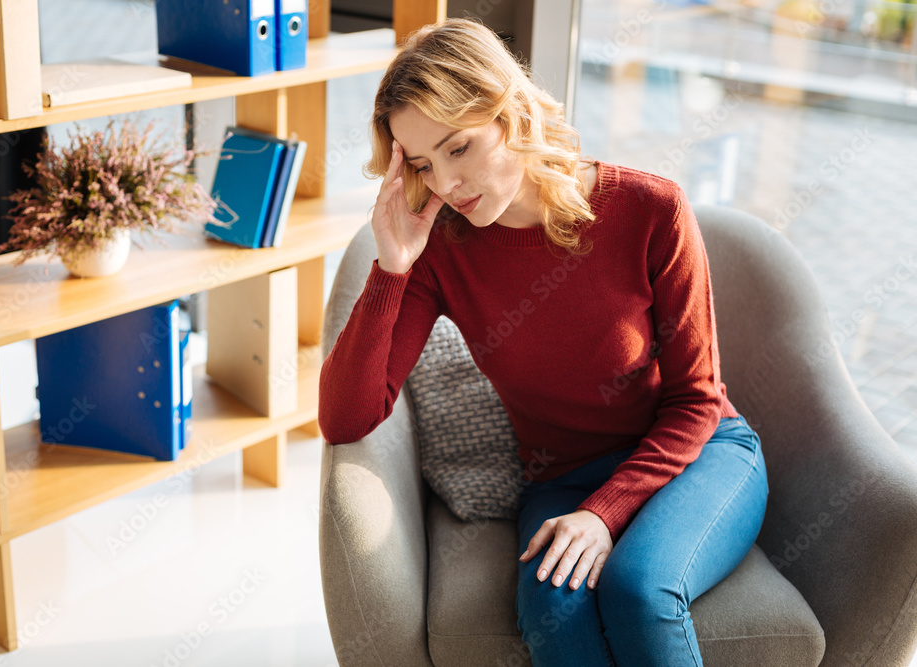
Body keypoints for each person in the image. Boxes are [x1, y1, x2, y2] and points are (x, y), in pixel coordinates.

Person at [317, 16, 768, 667]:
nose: (444, 183)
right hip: (561, 478)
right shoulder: (440, 250)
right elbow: (343, 417)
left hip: (701, 455)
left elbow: (698, 398)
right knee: (555, 615)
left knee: (638, 589)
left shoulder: (650, 210)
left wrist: (605, 512)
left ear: (511, 113)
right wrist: (392, 267)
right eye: (420, 163)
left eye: (459, 147)